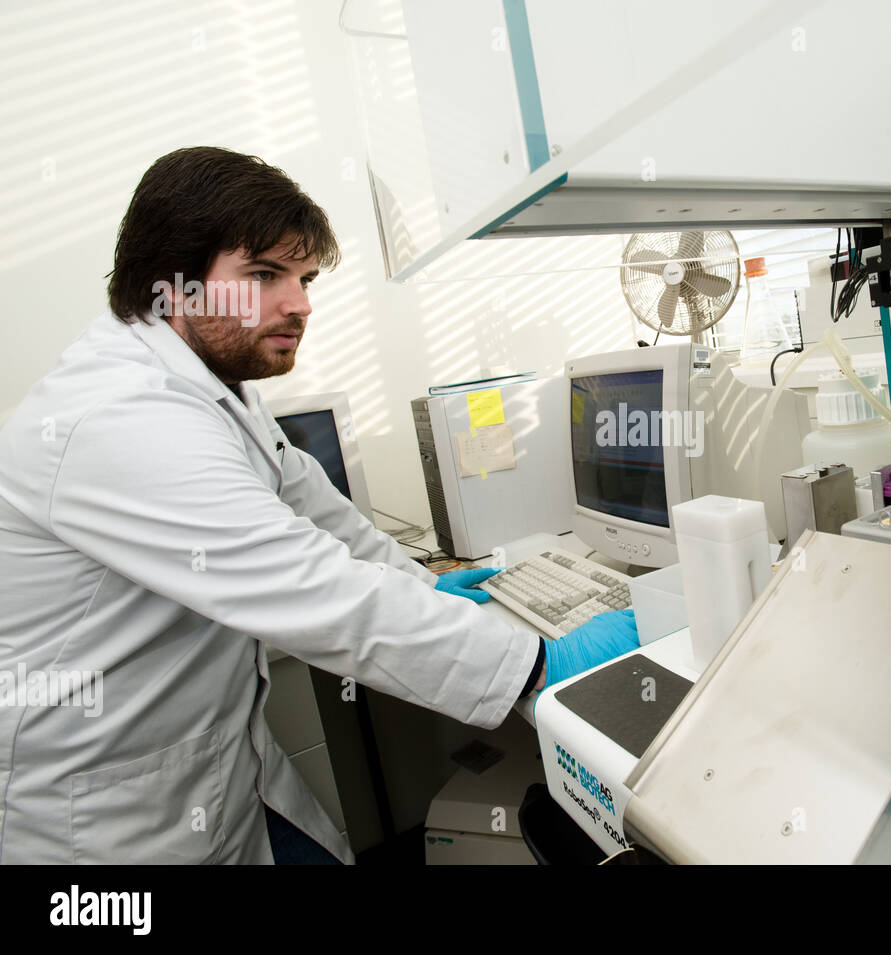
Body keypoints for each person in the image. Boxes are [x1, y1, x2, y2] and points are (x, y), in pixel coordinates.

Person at [0, 146, 638, 864]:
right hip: (106, 823)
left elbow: (315, 508)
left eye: (302, 278)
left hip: (210, 773)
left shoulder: (214, 389)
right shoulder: (120, 417)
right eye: (264, 276)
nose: (301, 303)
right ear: (172, 284)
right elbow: (313, 585)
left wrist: (423, 583)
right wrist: (535, 663)